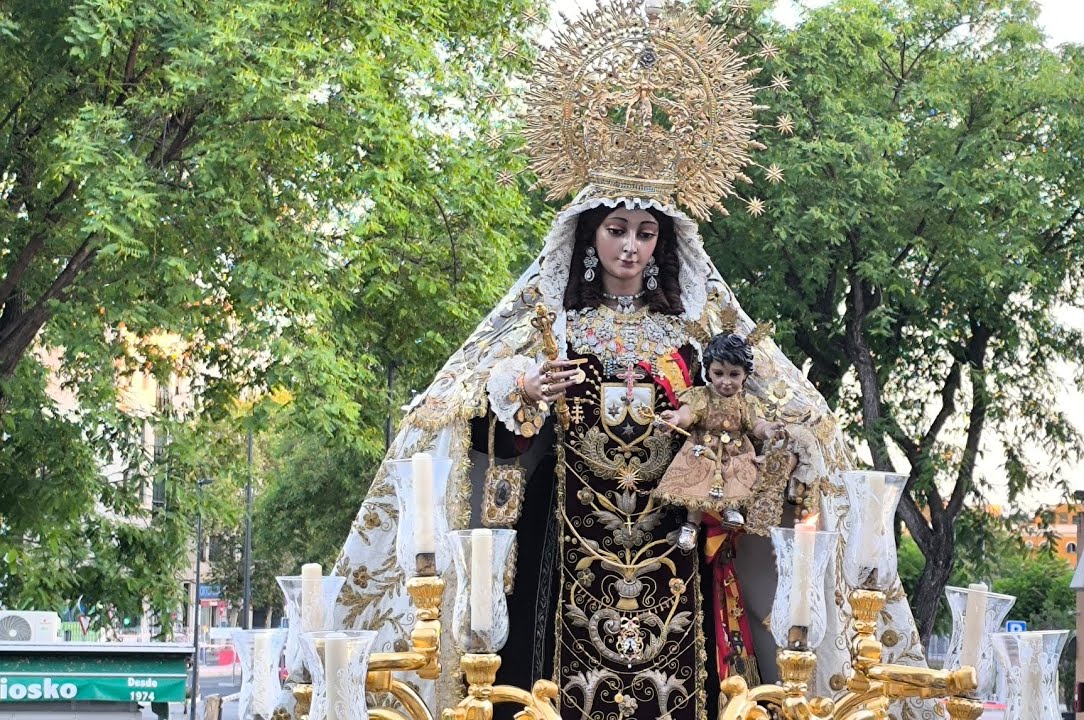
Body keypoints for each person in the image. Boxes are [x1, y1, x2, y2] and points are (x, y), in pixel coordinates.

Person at [328, 3, 942, 720]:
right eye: (617, 229)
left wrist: (764, 436)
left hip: (674, 558)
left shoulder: (695, 335)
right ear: (590, 237)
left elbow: (783, 412)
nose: (630, 246)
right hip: (565, 562)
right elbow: (457, 411)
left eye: (645, 233)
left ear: (663, 244)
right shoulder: (548, 328)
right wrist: (523, 385)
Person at [653, 331, 783, 551]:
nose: (725, 381)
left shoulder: (747, 401)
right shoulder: (701, 396)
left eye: (734, 374)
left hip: (736, 450)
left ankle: (731, 509)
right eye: (719, 373)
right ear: (708, 372)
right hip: (703, 448)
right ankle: (691, 524)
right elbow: (688, 414)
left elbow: (756, 425)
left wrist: (768, 429)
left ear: (745, 376)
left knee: (735, 473)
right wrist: (676, 418)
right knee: (698, 482)